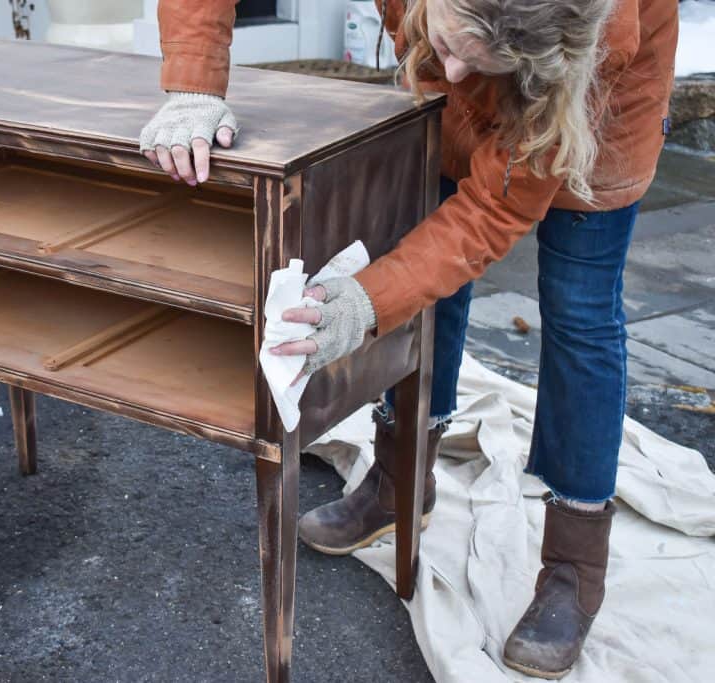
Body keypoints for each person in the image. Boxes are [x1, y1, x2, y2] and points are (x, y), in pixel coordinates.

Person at [139, 0, 678, 678]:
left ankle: (574, 565)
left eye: (473, 62)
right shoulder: (455, 61)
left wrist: (367, 302)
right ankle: (401, 479)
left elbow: (490, 213)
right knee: (428, 263)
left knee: (579, 313)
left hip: (594, 106)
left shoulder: (587, 43)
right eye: (450, 44)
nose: (448, 73)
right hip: (508, 60)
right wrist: (194, 81)